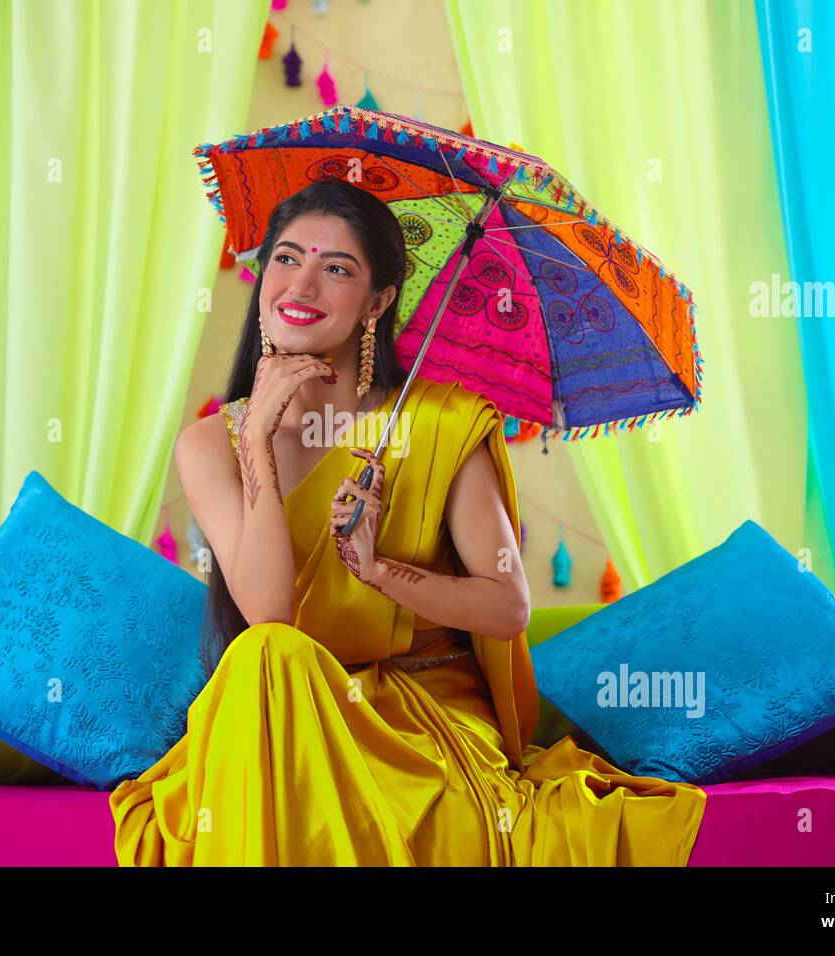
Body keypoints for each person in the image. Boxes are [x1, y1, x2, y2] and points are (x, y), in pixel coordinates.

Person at [109, 179, 706, 865]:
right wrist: (257, 447)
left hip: (421, 716)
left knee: (266, 667)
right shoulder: (212, 444)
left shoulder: (438, 422)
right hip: (293, 713)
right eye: (286, 257)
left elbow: (508, 606)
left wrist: (380, 570)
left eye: (337, 269)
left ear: (379, 302)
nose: (300, 286)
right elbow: (270, 615)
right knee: (263, 658)